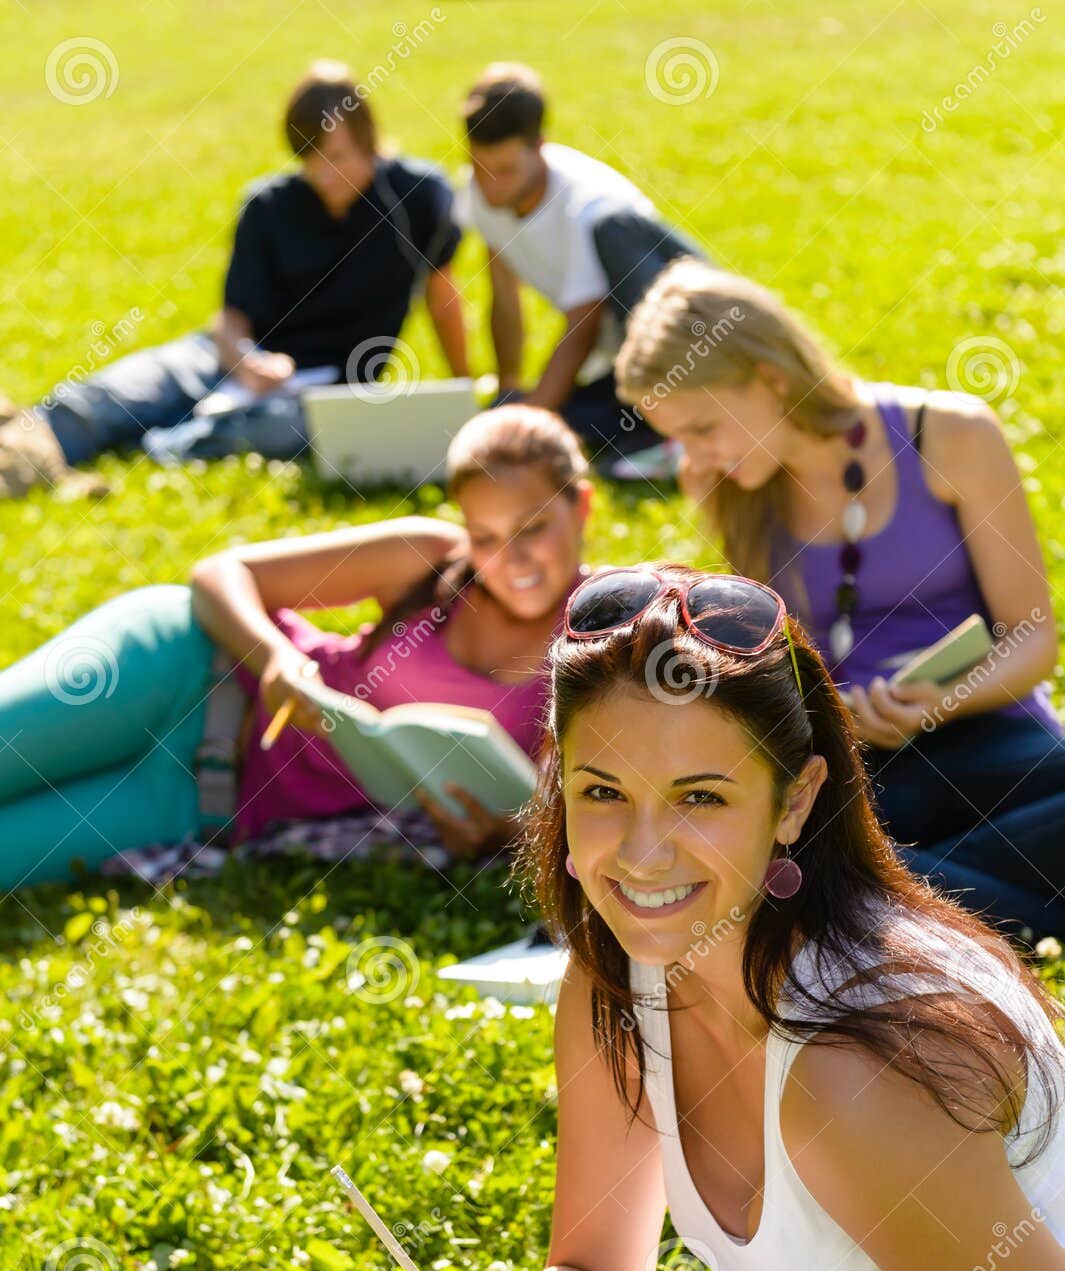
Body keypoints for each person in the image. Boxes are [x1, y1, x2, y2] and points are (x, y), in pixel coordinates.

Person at [84, 565, 1065, 1271]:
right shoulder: (618, 977)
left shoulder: (862, 1067)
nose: (641, 853)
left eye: (700, 796)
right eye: (603, 791)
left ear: (797, 799)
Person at [613, 259, 1065, 940]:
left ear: (768, 378)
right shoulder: (725, 483)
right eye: (676, 437)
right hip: (856, 761)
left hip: (990, 732)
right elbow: (771, 657)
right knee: (805, 833)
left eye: (702, 427)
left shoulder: (949, 435)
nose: (694, 456)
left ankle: (881, 899)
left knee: (809, 867)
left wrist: (935, 700)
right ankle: (960, 912)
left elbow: (1032, 639)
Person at [0, 406, 588, 890]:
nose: (510, 561)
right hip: (185, 668)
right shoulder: (430, 557)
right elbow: (219, 573)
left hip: (199, 802)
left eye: (532, 527)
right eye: (486, 535)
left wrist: (499, 838)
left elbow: (590, 818)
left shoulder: (595, 636)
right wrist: (275, 658)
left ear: (581, 505)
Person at [0, 63, 467, 492]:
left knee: (277, 427)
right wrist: (246, 362)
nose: (324, 174)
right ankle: (21, 451)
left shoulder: (419, 198)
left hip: (330, 387)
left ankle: (162, 446)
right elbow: (230, 319)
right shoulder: (267, 206)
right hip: (228, 358)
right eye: (310, 159)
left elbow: (441, 295)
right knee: (111, 394)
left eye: (338, 156)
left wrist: (463, 389)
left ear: (368, 138)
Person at [457, 63, 705, 478]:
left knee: (553, 423)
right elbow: (504, 298)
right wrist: (509, 392)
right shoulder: (481, 195)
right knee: (574, 423)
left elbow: (582, 329)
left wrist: (523, 425)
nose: (490, 186)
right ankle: (648, 433)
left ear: (539, 147)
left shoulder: (587, 206)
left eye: (505, 171)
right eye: (480, 168)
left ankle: (684, 428)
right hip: (622, 365)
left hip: (692, 344)